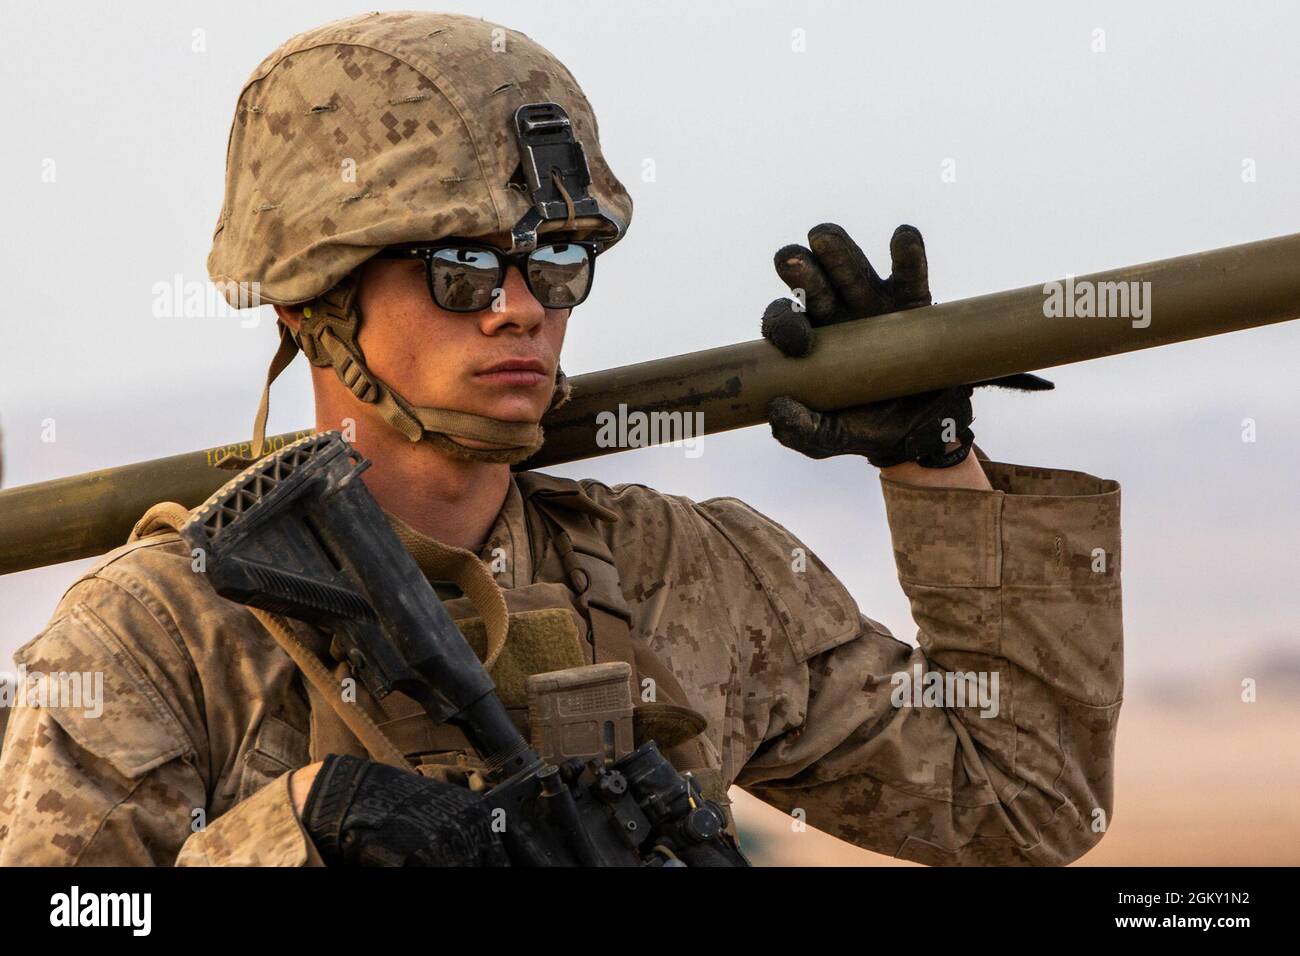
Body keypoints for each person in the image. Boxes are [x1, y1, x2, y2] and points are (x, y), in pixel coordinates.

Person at [0, 11, 1121, 867]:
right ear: (309, 302)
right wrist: (305, 829)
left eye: (553, 262)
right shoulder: (157, 634)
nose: (518, 308)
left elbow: (1029, 801)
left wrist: (929, 457)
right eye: (461, 268)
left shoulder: (685, 574)